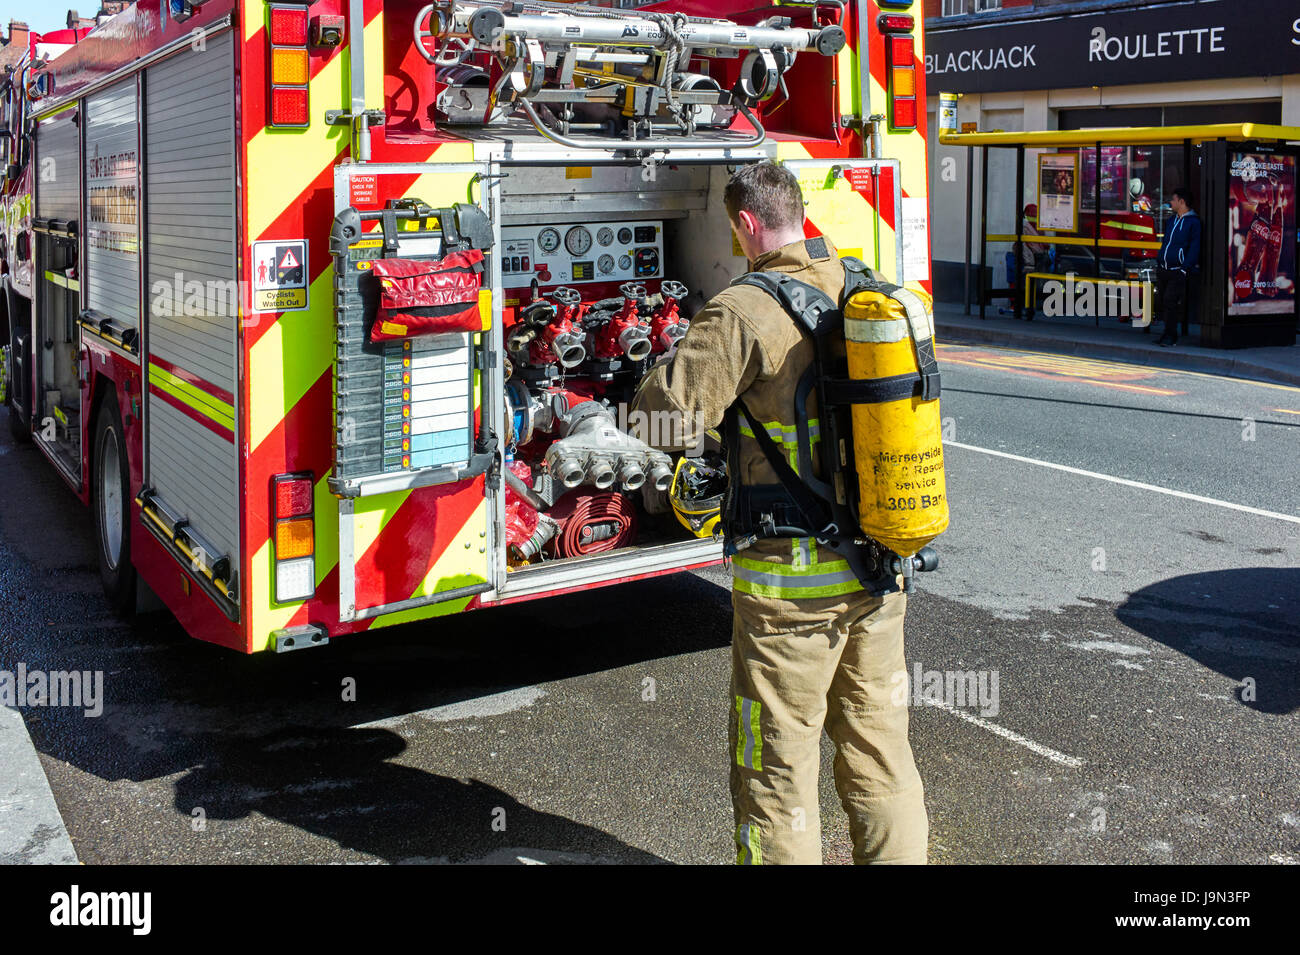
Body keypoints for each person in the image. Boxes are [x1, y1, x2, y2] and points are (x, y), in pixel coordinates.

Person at [631, 161, 928, 865]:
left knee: (776, 772)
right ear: (801, 212)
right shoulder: (869, 291)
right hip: (881, 569)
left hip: (791, 594)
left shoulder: (745, 310)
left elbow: (663, 421)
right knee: (881, 751)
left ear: (746, 225)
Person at [1154, 187, 1201, 346]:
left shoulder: (1193, 223)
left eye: (1173, 200)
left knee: (1170, 301)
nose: (1171, 202)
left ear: (1182, 202)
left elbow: (1195, 247)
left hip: (1178, 270)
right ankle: (1166, 333)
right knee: (1162, 302)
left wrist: (1184, 268)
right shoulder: (1172, 220)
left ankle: (1171, 336)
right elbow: (1167, 242)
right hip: (1164, 268)